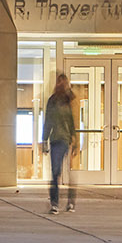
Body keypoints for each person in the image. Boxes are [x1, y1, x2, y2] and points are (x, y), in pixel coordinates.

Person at [40, 73, 79, 214]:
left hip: (65, 139)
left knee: (69, 173)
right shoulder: (52, 101)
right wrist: (44, 139)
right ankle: (54, 203)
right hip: (56, 140)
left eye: (64, 82)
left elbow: (72, 122)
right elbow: (48, 121)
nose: (61, 85)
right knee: (55, 171)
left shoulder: (70, 100)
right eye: (59, 82)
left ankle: (70, 202)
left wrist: (75, 142)